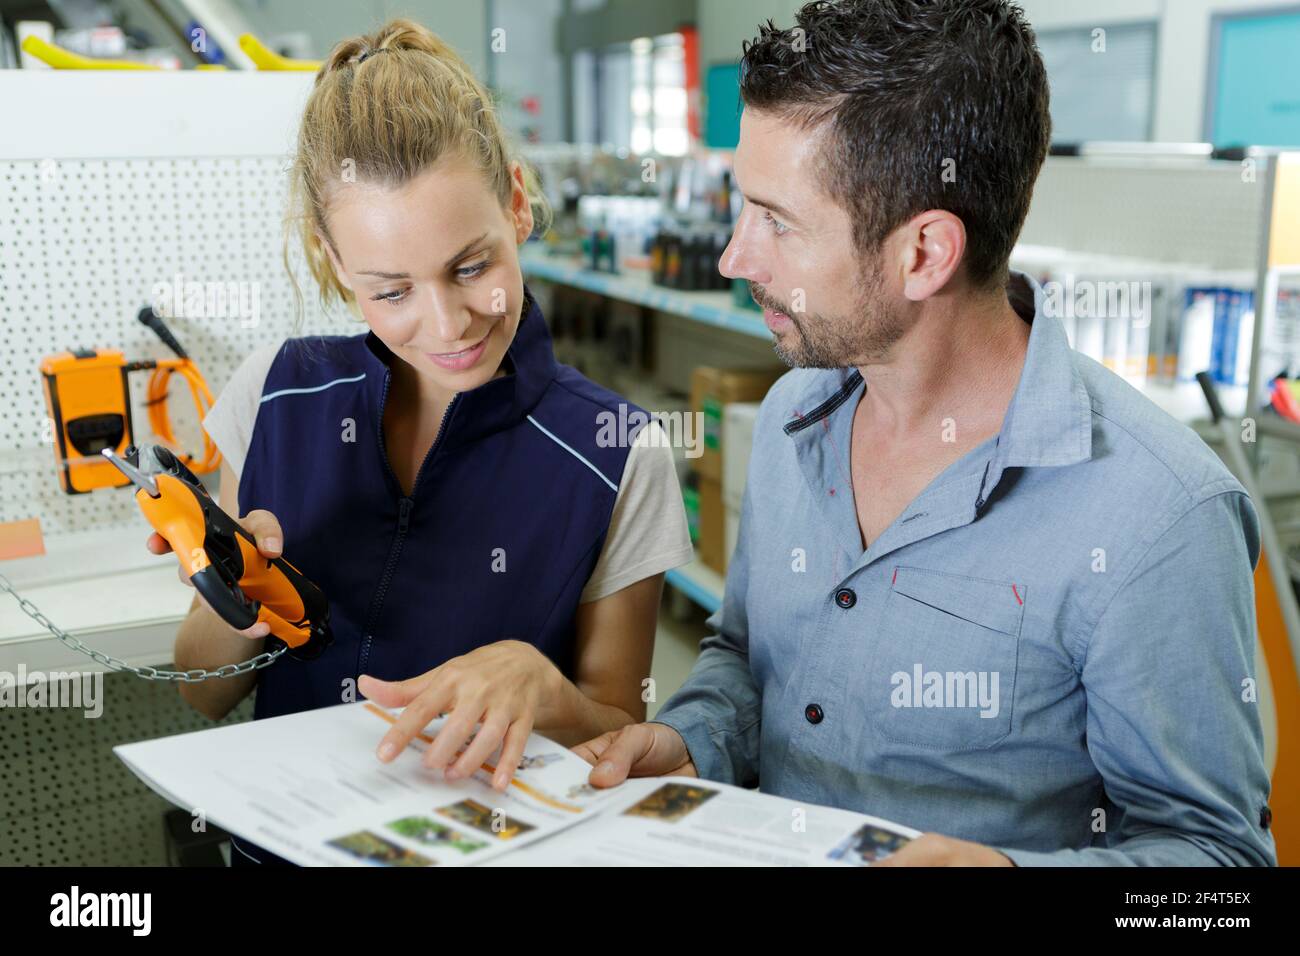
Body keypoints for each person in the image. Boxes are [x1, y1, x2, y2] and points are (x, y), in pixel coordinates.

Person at [576, 0, 1276, 866]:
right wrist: (691, 740)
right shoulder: (793, 422)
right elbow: (747, 658)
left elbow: (1217, 873)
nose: (733, 257)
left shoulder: (1159, 518)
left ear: (924, 255)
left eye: (777, 222)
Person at [154, 18, 692, 865]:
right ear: (334, 262)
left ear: (516, 202)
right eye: (391, 289)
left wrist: (544, 690)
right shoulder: (274, 394)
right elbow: (203, 695)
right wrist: (241, 590)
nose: (447, 324)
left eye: (472, 266)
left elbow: (618, 738)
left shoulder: (620, 451)